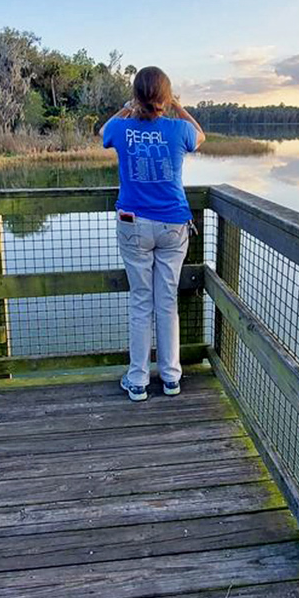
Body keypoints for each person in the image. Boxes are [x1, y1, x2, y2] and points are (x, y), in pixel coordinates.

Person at [99, 66, 206, 401]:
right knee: (167, 301)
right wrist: (176, 105)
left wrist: (128, 107)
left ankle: (138, 381)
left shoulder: (122, 126)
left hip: (133, 225)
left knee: (141, 302)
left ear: (137, 95)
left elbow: (102, 132)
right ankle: (171, 378)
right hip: (173, 225)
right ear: (165, 96)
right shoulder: (178, 130)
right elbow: (200, 136)